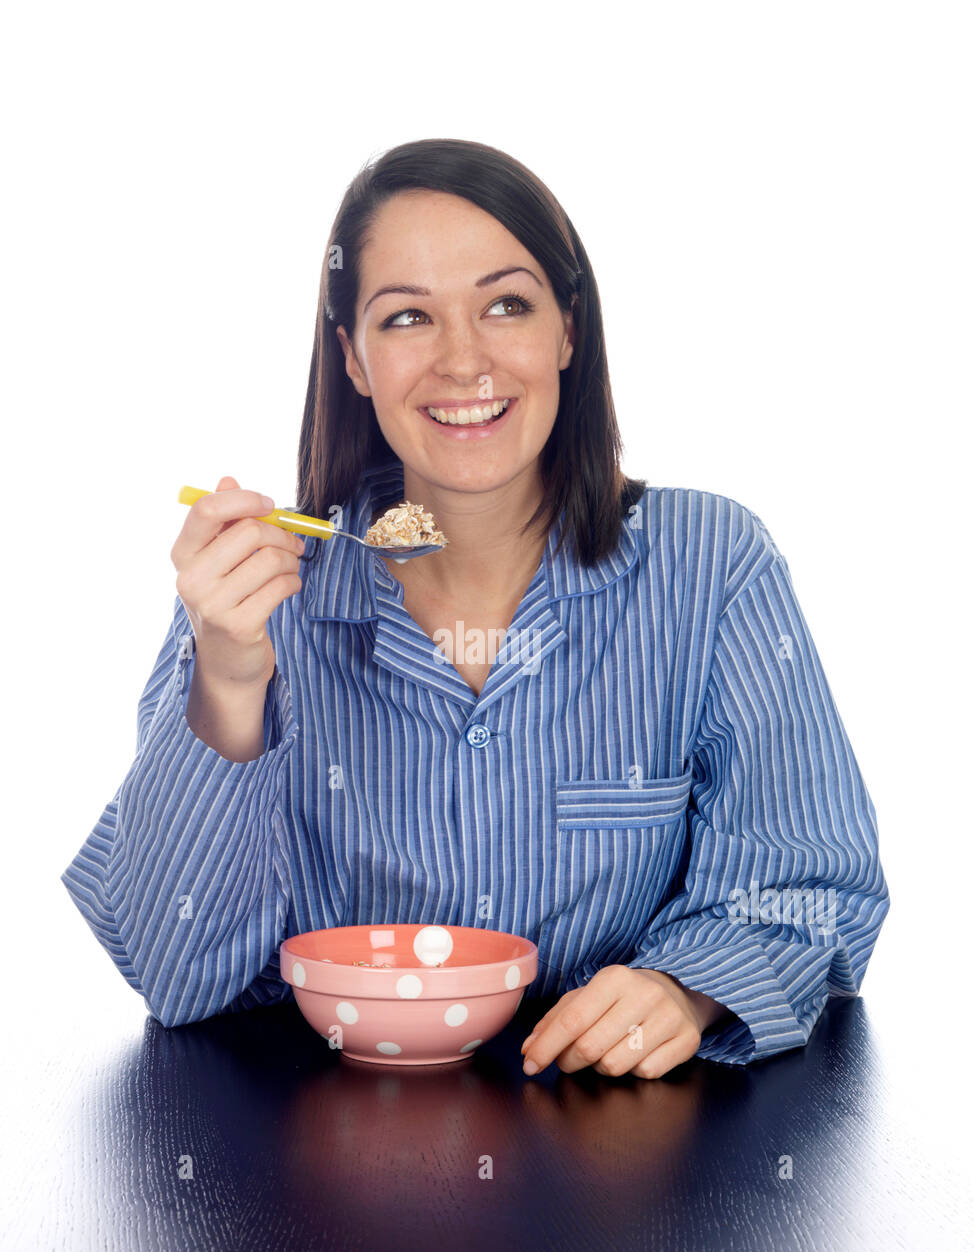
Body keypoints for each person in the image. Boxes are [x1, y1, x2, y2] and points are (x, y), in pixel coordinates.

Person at [61, 137, 889, 1078]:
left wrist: (686, 988)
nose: (464, 361)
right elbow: (176, 975)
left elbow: (815, 887)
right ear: (356, 359)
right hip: (312, 1167)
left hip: (619, 1163)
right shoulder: (256, 602)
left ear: (567, 330)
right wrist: (228, 680)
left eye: (506, 305)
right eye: (409, 317)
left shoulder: (713, 566)